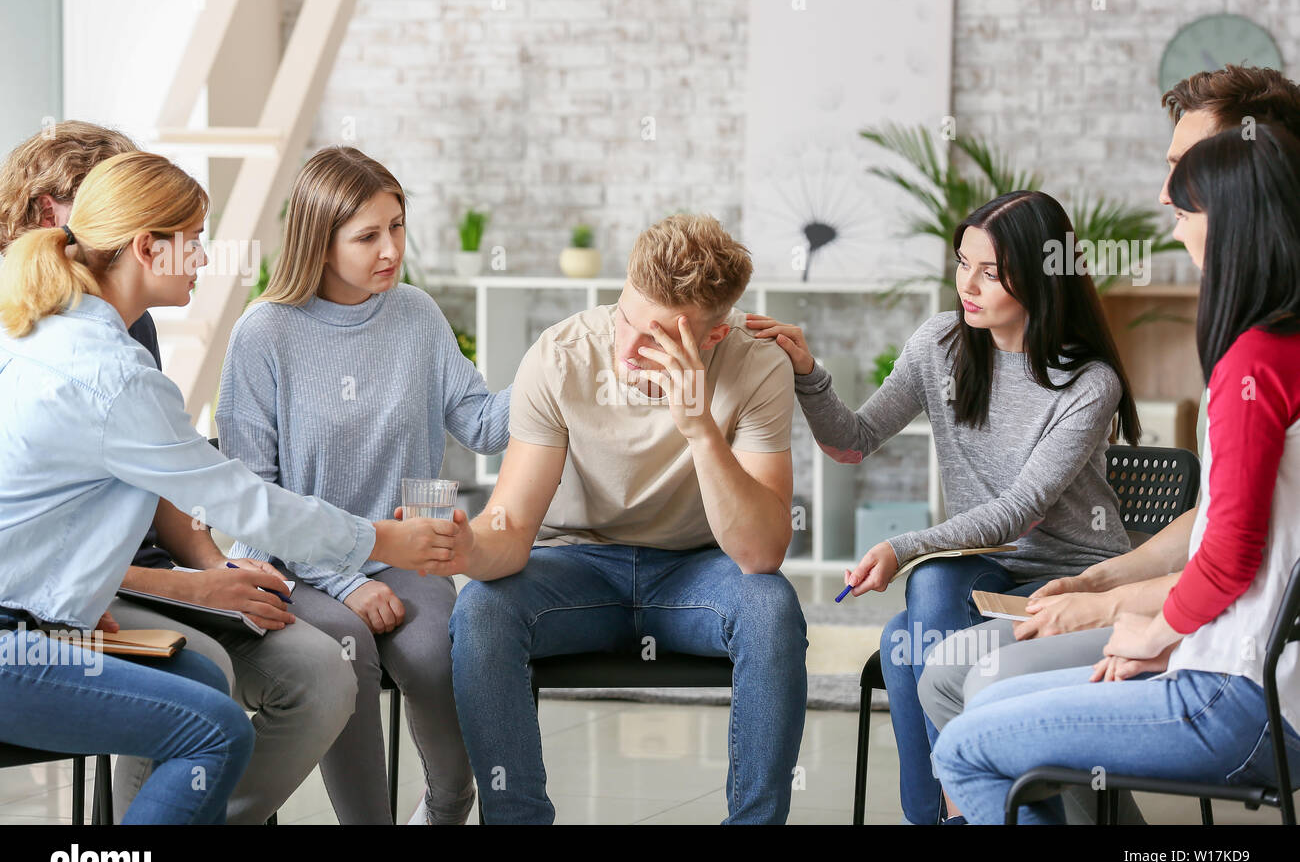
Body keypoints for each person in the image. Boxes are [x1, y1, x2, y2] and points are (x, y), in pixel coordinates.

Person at [0, 150, 453, 822]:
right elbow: (248, 501)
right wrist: (387, 539)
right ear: (148, 249)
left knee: (207, 677)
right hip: (18, 642)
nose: (206, 260)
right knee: (214, 730)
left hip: (48, 622)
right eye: (195, 244)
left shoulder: (50, 334)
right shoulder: (112, 375)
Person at [916, 66, 1300, 822]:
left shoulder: (1252, 365)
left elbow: (1232, 558)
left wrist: (1147, 624)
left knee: (966, 742)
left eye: (1187, 194)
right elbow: (1242, 534)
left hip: (1237, 690)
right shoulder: (1277, 352)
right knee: (950, 677)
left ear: (1240, 203)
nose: (1170, 208)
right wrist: (1120, 600)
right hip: (1249, 670)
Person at [747, 190, 1140, 824]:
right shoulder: (940, 344)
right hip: (982, 565)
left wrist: (903, 547)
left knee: (908, 638)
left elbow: (1019, 512)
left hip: (1066, 578)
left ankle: (951, 811)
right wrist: (807, 371)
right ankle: (959, 812)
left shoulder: (1088, 382)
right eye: (963, 263)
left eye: (991, 271)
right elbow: (853, 441)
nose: (968, 284)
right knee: (928, 599)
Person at [441, 213, 807, 824]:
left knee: (771, 607)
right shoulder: (560, 357)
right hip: (575, 568)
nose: (631, 351)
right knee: (480, 609)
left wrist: (699, 429)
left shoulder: (757, 366)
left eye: (660, 339)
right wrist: (464, 547)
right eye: (627, 320)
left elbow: (760, 553)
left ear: (711, 337)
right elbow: (508, 534)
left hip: (698, 572)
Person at [217, 146, 511, 824]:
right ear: (321, 243)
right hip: (296, 570)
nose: (391, 249)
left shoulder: (416, 316)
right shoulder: (264, 334)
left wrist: (565, 371)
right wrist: (349, 582)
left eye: (398, 226)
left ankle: (444, 807)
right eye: (368, 235)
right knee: (347, 656)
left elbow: (485, 421)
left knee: (443, 657)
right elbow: (253, 495)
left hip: (406, 557)